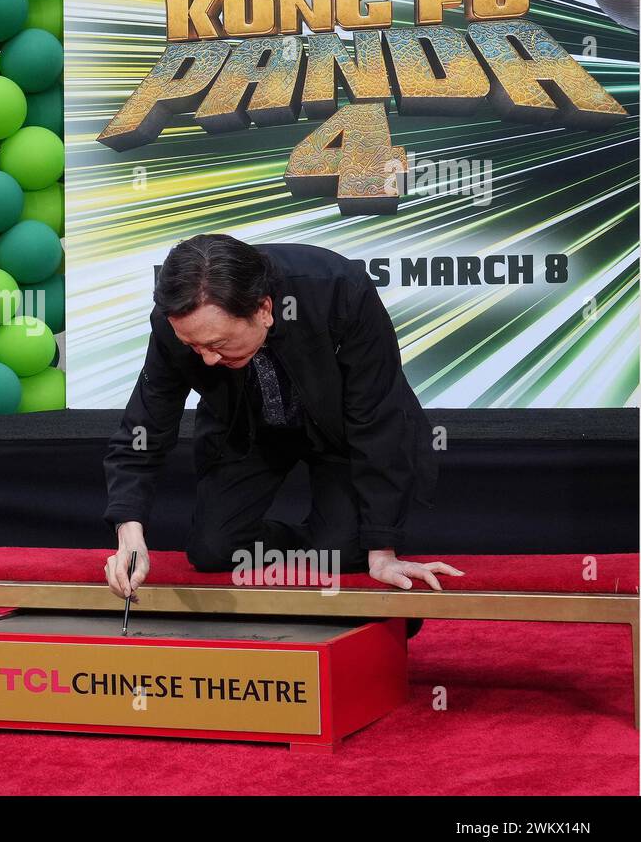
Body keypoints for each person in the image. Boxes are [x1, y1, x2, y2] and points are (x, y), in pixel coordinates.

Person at [102, 234, 460, 612]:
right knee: (214, 551)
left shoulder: (339, 288)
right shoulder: (176, 323)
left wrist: (383, 549)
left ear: (264, 309)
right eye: (195, 347)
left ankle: (334, 536)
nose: (206, 360)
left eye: (218, 344)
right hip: (248, 430)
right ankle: (310, 537)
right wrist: (129, 530)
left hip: (341, 430)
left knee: (344, 553)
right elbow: (145, 425)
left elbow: (377, 417)